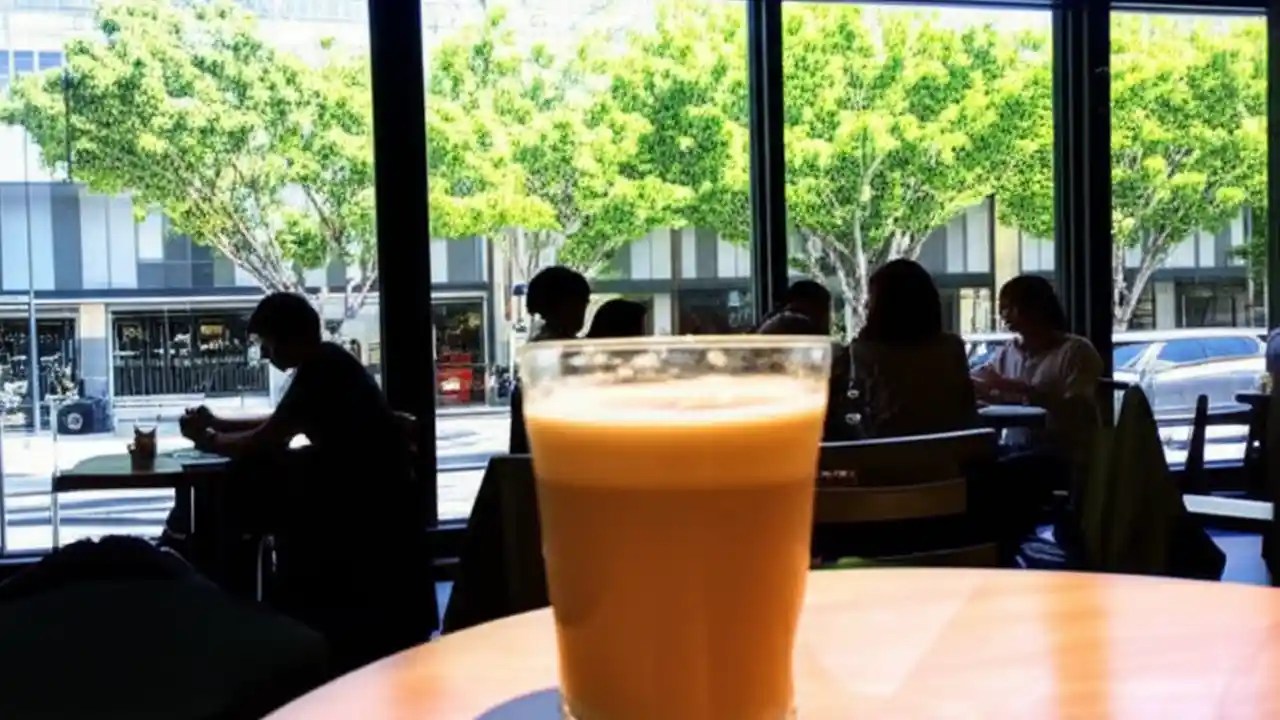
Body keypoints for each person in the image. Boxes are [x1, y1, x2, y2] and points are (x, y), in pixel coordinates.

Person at [178, 292, 429, 672]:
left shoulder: (321, 369)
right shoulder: (326, 363)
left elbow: (268, 438)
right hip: (375, 491)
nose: (265, 354)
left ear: (288, 336)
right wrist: (218, 425)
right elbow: (281, 424)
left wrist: (210, 440)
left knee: (243, 485)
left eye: (267, 342)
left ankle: (231, 596)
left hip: (357, 500)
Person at [972, 274, 1103, 465]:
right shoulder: (1007, 353)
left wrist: (1017, 389)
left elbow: (1078, 412)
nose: (1003, 315)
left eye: (1010, 307)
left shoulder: (1076, 351)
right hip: (1015, 451)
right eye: (1002, 308)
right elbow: (991, 389)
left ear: (1037, 308)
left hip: (1063, 456)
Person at [851, 259, 977, 438]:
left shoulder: (864, 353)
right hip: (948, 460)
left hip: (883, 458)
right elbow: (966, 413)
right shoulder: (951, 348)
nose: (865, 306)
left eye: (871, 298)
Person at [509, 266, 591, 454]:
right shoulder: (562, 352)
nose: (583, 311)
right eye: (582, 303)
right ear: (565, 305)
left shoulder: (536, 347)